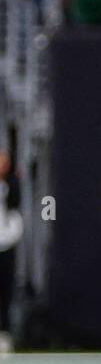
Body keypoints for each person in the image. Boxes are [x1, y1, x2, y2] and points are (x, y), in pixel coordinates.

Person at [0, 147, 20, 352]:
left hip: (7, 242)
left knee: (6, 288)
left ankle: (5, 332)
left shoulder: (13, 184)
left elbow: (47, 203)